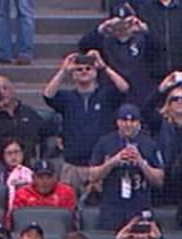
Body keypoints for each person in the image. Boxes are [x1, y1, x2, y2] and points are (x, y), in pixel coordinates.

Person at [43, 50, 131, 194]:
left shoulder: (105, 95)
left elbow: (124, 88)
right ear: (74, 74)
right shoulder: (67, 97)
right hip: (73, 166)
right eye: (79, 69)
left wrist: (104, 67)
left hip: (102, 166)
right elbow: (47, 95)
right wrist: (63, 71)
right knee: (69, 208)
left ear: (95, 72)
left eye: (88, 68)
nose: (84, 71)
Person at [88, 103, 166, 230]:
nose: (128, 124)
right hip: (112, 206)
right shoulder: (105, 142)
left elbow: (159, 180)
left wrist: (141, 162)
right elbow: (92, 176)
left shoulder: (149, 144)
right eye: (124, 120)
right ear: (118, 122)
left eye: (133, 120)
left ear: (139, 122)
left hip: (139, 205)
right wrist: (113, 161)